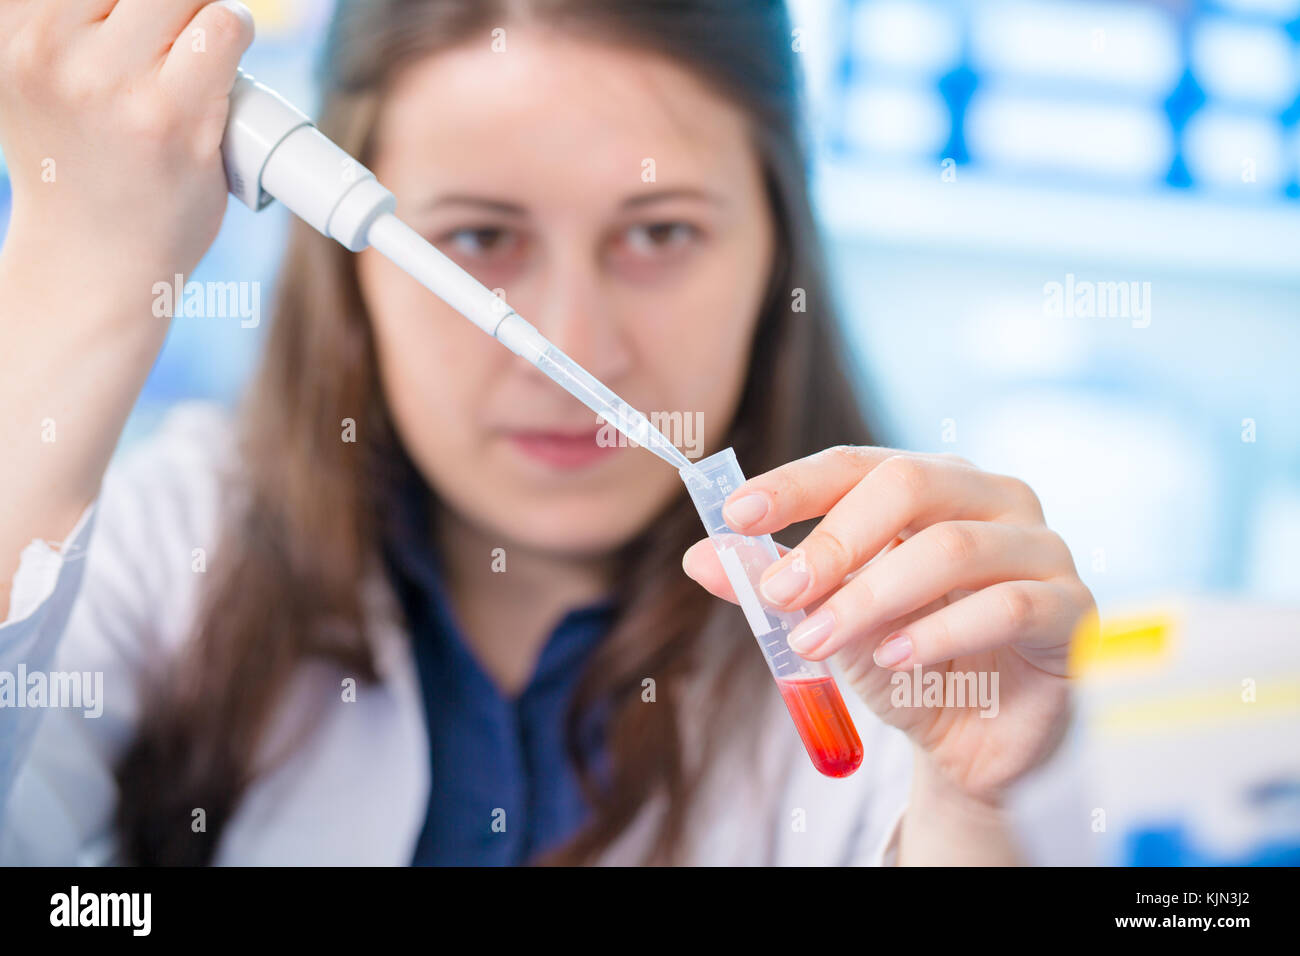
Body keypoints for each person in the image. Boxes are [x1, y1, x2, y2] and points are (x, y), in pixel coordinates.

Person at [0, 0, 1095, 865]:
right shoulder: (176, 545)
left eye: (660, 231)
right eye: (479, 233)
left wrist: (983, 818)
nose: (575, 349)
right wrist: (77, 270)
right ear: (349, 271)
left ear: (777, 248)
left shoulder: (921, 651)